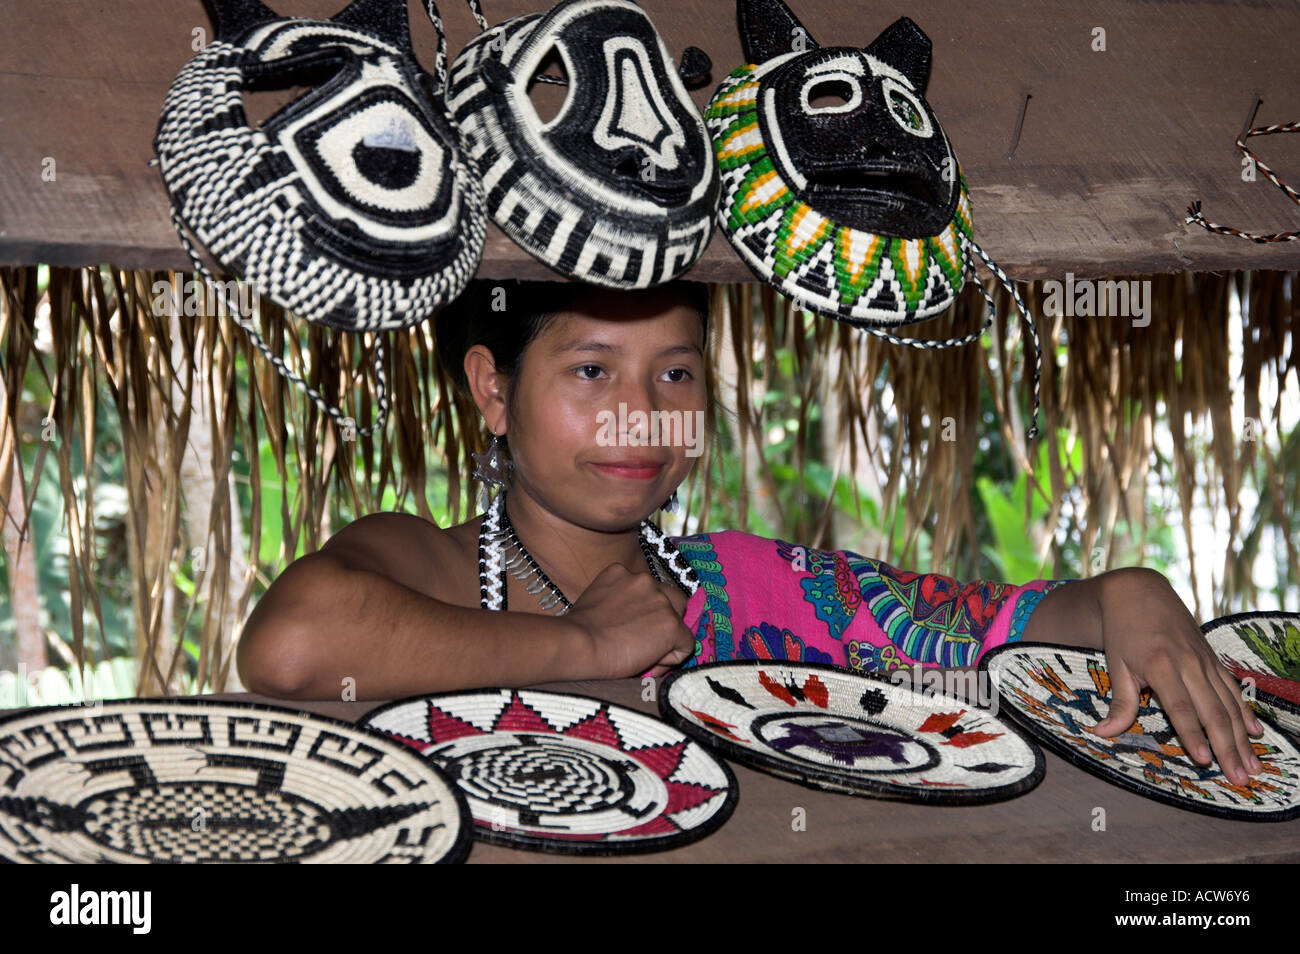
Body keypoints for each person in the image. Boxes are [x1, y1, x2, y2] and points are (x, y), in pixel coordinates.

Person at [235, 278, 1265, 785]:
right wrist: (585, 649)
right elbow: (292, 646)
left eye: (673, 374)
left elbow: (998, 629)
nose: (640, 415)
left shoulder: (758, 590)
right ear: (492, 391)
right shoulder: (429, 563)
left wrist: (1126, 590)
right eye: (591, 371)